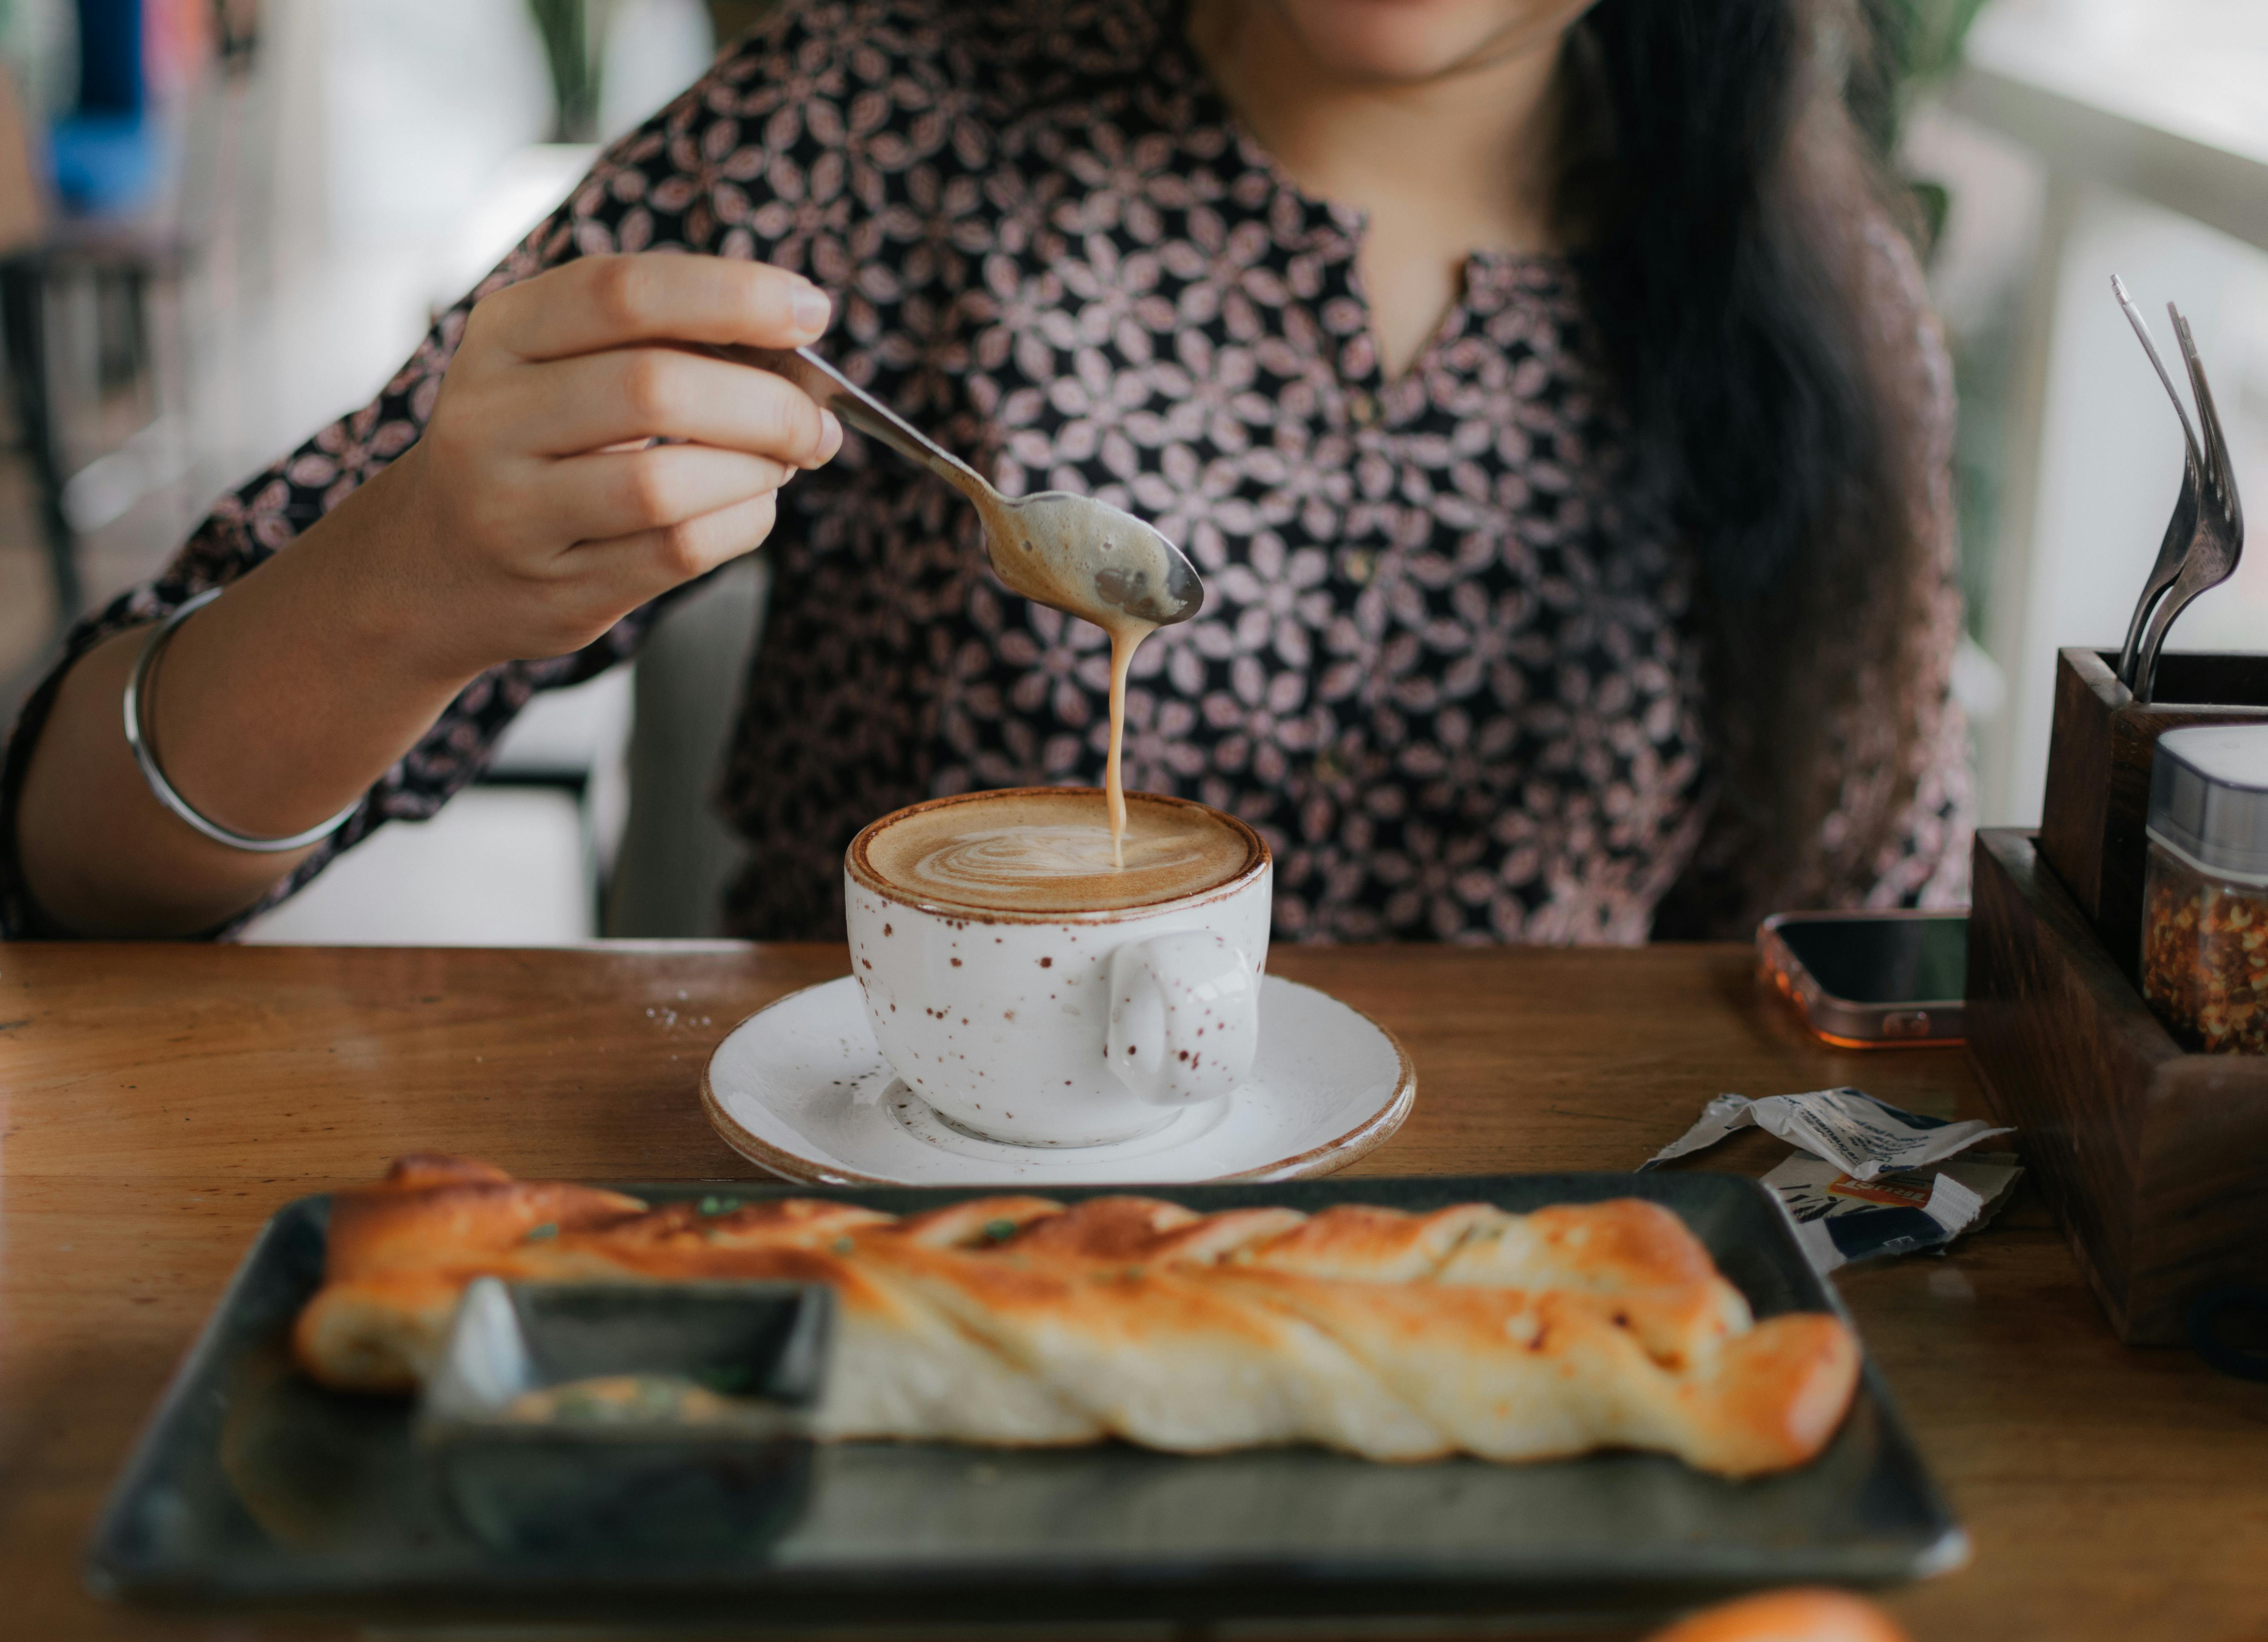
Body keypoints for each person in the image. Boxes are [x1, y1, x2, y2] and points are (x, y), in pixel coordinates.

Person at [1, 0, 1970, 945]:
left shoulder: (1822, 304)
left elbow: (1878, 969)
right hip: (875, 1289)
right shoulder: (865, 128)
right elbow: (72, 851)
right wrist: (402, 586)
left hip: (1521, 1338)